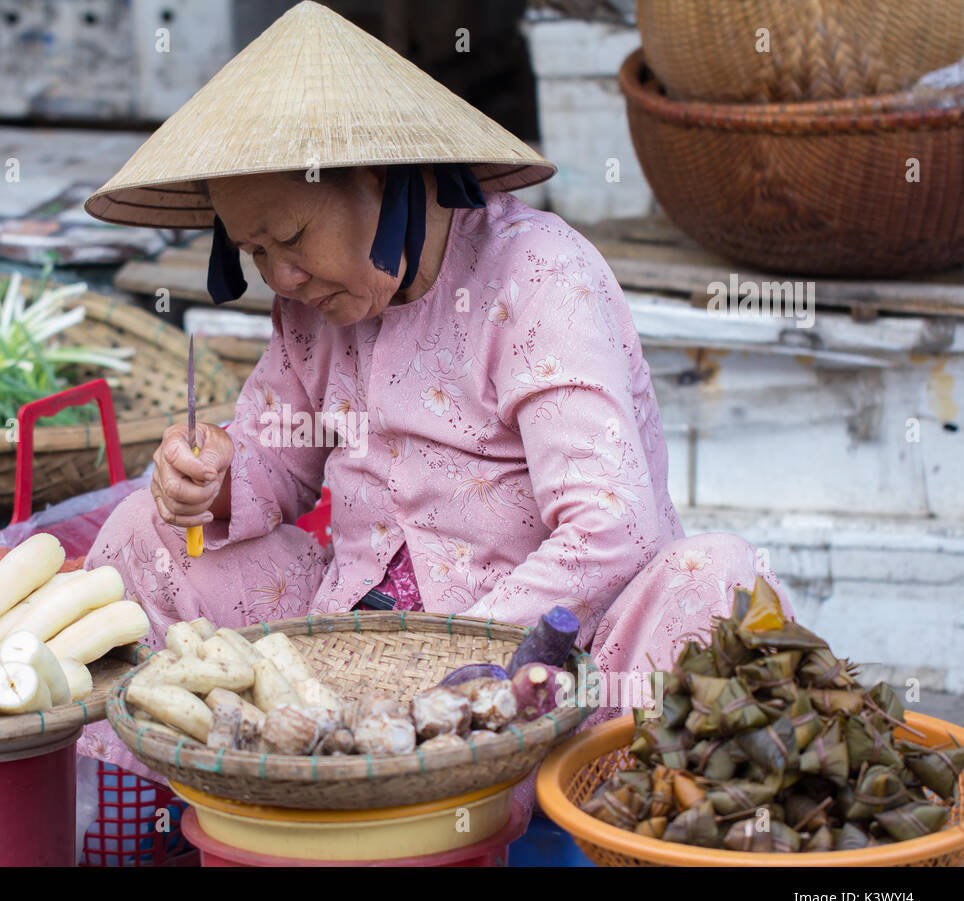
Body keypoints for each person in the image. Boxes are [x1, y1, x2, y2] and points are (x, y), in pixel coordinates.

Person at [78, 2, 794, 797]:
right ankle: (232, 806)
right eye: (253, 252)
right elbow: (273, 465)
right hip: (352, 648)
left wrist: (453, 650)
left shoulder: (537, 278)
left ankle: (578, 809)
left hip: (544, 665)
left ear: (384, 179)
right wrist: (209, 479)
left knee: (716, 577)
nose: (281, 278)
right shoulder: (312, 307)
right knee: (149, 531)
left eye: (292, 239)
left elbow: (610, 526)